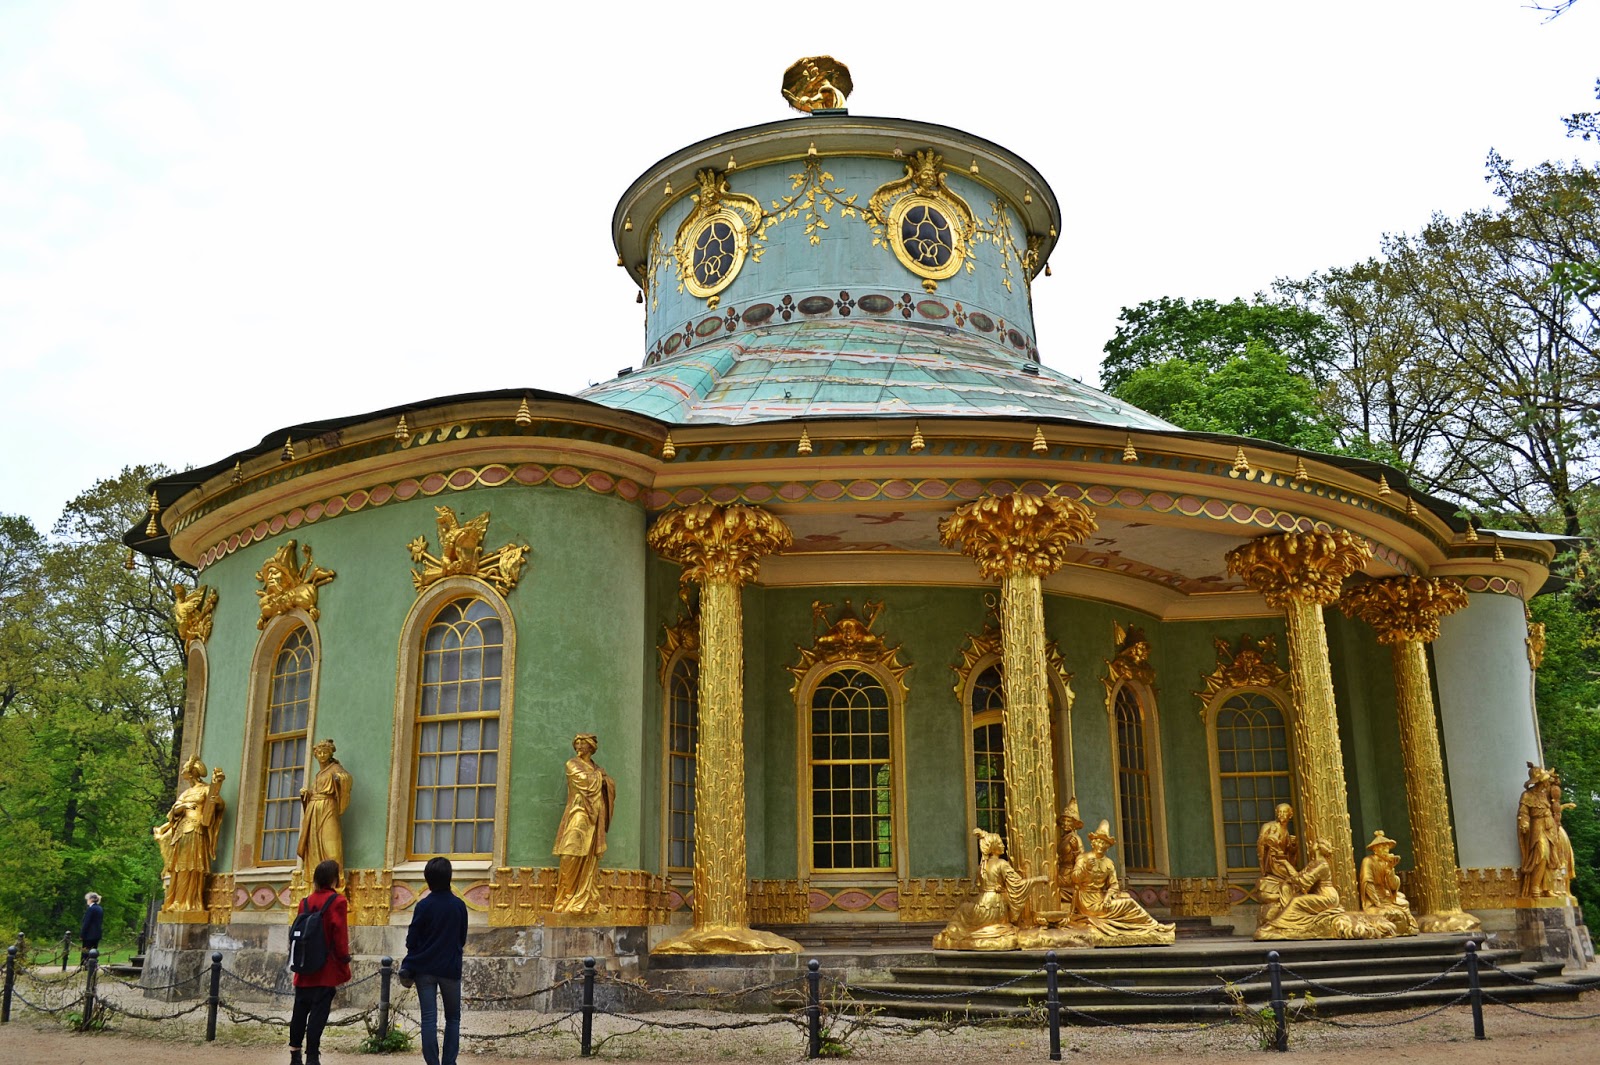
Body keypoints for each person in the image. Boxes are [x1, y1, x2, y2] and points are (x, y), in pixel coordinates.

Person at [401, 857, 469, 1065]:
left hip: (425, 969)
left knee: (428, 1018)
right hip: (450, 967)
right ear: (449, 878)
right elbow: (462, 938)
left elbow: (411, 940)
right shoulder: (459, 906)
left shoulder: (423, 906)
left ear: (427, 879)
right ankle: (449, 1062)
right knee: (453, 1018)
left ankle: (432, 1062)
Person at [932, 829, 1046, 950]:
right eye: (1000, 843)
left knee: (962, 910)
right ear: (993, 847)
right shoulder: (1002, 864)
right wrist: (1037, 879)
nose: (1003, 845)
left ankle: (953, 934)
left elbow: (980, 887)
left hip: (982, 906)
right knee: (964, 910)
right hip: (995, 908)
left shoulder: (982, 866)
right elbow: (1018, 884)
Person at [1067, 821, 1176, 945]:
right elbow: (1074, 879)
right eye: (1098, 841)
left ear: (1107, 847)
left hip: (1102, 900)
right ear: (1093, 842)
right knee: (1129, 904)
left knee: (1128, 904)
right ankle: (1155, 927)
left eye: (1104, 843)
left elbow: (1114, 885)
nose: (1100, 845)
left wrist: (1108, 897)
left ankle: (1152, 928)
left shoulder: (1108, 863)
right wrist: (1086, 869)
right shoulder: (1083, 858)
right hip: (1086, 901)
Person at [289, 859, 351, 1065]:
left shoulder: (304, 902)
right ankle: (312, 1056)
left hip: (304, 965)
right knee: (318, 1013)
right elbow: (339, 934)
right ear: (334, 878)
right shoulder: (338, 901)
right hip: (326, 967)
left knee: (299, 1010)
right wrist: (344, 959)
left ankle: (294, 1054)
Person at [551, 733, 616, 914]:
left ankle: (587, 898)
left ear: (590, 747)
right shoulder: (572, 764)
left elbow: (608, 783)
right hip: (578, 812)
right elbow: (585, 782)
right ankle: (565, 898)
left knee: (590, 856)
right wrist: (600, 776)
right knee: (570, 853)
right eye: (577, 744)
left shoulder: (596, 767)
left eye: (582, 744)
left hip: (595, 817)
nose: (579, 747)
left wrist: (605, 780)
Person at [153, 756, 226, 914]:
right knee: (179, 867)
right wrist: (183, 806)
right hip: (181, 832)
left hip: (196, 830)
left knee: (191, 866)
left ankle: (189, 902)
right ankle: (176, 901)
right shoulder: (185, 793)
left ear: (191, 773)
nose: (182, 774)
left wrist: (216, 798)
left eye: (185, 771)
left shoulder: (205, 789)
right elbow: (173, 812)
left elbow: (218, 804)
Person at [297, 739, 353, 881]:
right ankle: (318, 883)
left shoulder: (335, 768)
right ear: (315, 755)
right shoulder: (318, 775)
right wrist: (307, 794)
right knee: (315, 845)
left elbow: (346, 778)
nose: (322, 755)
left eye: (325, 752)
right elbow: (317, 792)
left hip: (328, 808)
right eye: (319, 752)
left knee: (332, 847)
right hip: (315, 810)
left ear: (330, 754)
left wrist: (340, 779)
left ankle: (337, 883)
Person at [1255, 803, 1300, 924]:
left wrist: (1294, 846)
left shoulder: (1286, 831)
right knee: (1295, 879)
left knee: (1295, 880)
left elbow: (1289, 852)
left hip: (1282, 861)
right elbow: (1260, 843)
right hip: (1273, 862)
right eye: (1279, 812)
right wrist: (1269, 840)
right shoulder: (1269, 826)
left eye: (1284, 812)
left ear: (1290, 814)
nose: (1281, 815)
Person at [79, 892, 103, 964]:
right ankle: (92, 965)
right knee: (94, 952)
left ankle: (84, 965)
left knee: (86, 952)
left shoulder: (91, 909)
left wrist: (82, 934)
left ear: (90, 899)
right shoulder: (99, 908)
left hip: (89, 935)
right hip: (97, 934)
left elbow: (87, 923)